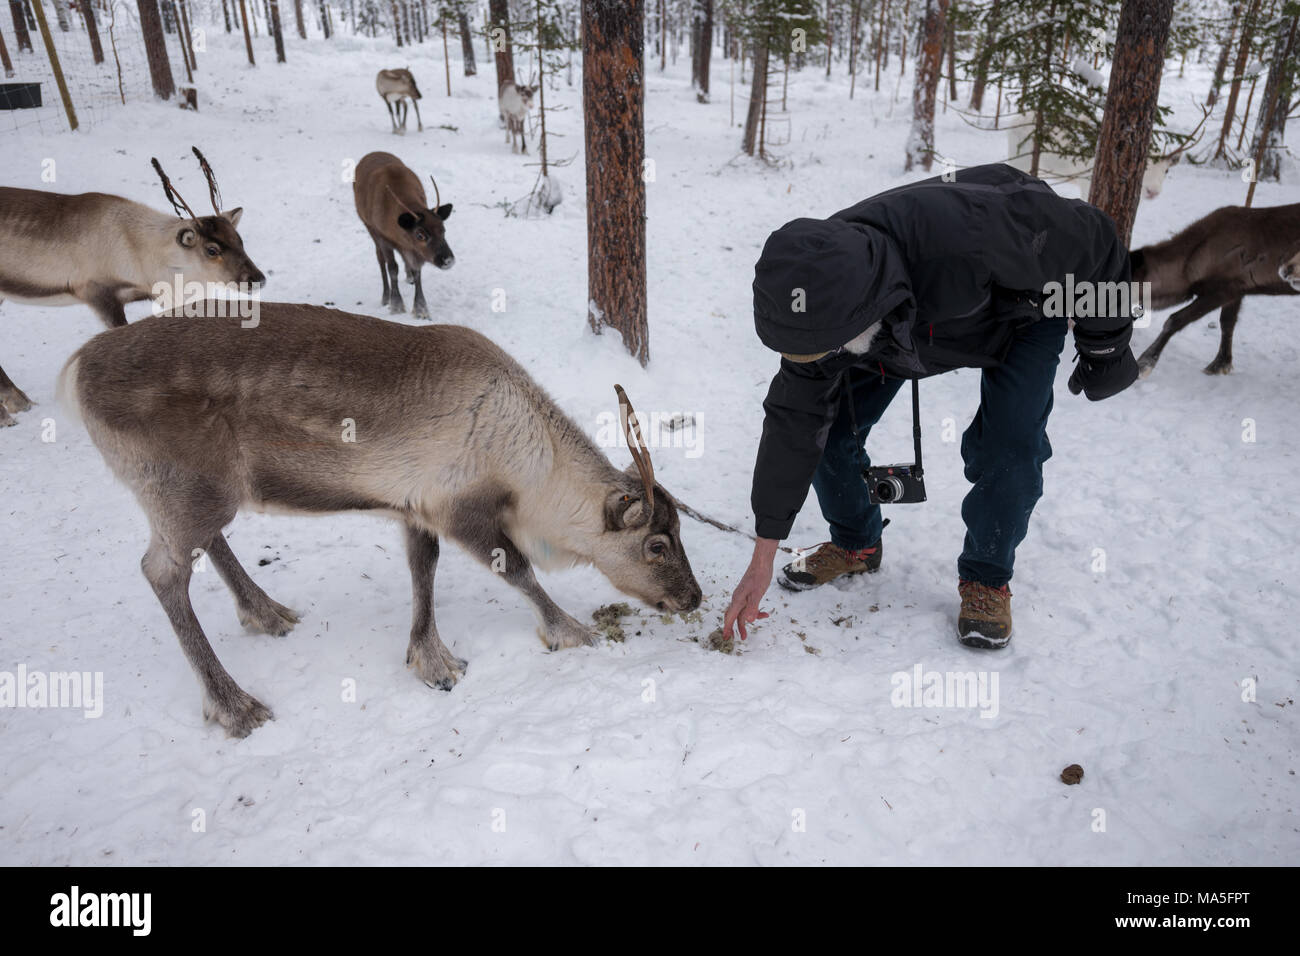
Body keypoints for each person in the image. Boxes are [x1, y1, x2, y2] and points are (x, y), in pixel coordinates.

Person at [722, 163, 1138, 648]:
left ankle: (986, 577)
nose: (804, 364)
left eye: (813, 354)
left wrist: (1104, 348)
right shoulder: (818, 298)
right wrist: (763, 555)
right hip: (906, 330)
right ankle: (857, 543)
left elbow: (1097, 242)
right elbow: (794, 426)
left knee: (1010, 445)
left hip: (1020, 312)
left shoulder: (979, 234)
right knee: (828, 430)